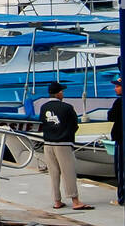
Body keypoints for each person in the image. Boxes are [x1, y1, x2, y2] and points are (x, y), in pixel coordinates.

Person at [38, 81, 89, 210]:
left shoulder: (43, 107)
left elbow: (42, 123)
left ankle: (57, 201)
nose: (63, 94)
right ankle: (75, 201)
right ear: (58, 93)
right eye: (62, 91)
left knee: (53, 173)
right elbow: (74, 124)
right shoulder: (67, 107)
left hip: (48, 144)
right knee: (68, 172)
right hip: (63, 143)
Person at [107, 74, 125, 206]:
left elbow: (111, 116)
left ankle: (122, 198)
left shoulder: (119, 102)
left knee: (121, 169)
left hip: (121, 138)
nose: (115, 89)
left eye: (118, 86)